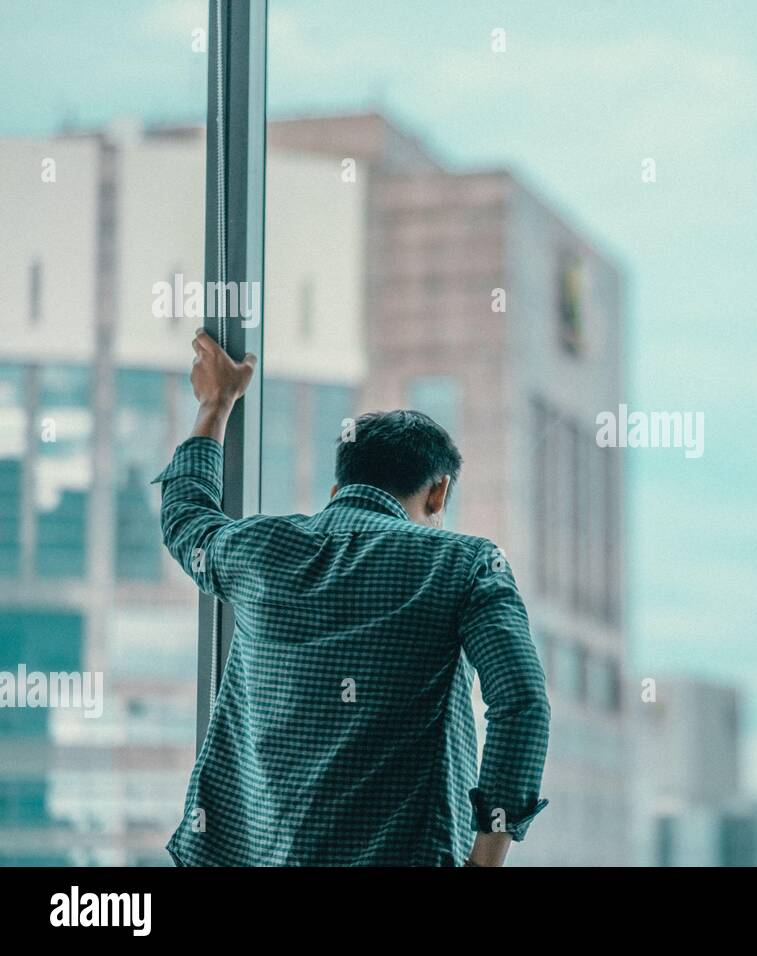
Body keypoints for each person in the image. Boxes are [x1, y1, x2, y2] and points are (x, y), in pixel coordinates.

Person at [154, 329, 549, 866]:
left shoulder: (257, 550)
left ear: (337, 489)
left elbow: (187, 519)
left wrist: (215, 404)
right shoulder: (467, 565)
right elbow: (521, 704)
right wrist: (486, 859)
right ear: (439, 491)